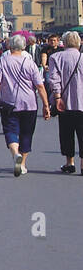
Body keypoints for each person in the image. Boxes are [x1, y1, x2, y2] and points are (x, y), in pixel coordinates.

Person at [0, 35, 50, 177]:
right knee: (26, 132)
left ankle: (15, 153)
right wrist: (46, 105)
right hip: (29, 103)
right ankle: (22, 163)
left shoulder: (2, 61)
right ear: (24, 47)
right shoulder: (30, 63)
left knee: (10, 130)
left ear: (9, 46)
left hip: (9, 102)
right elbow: (40, 86)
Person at [46, 31, 83, 173]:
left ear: (64, 43)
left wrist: (57, 97)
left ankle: (70, 162)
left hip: (65, 100)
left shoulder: (56, 57)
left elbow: (54, 80)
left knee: (66, 132)